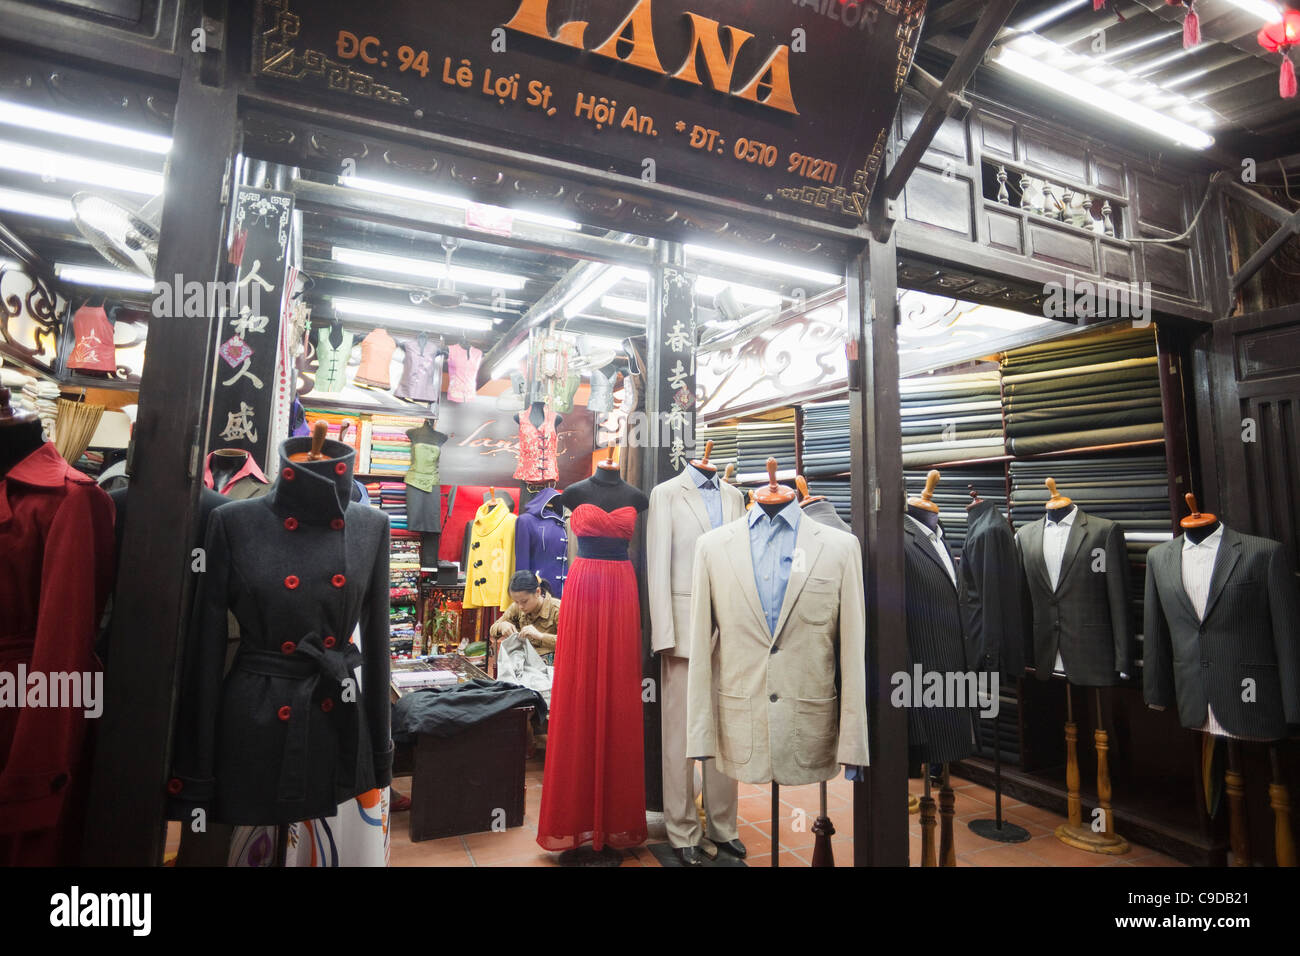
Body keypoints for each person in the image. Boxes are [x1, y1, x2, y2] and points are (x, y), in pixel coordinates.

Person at [490, 570, 561, 664]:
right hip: (523, 662)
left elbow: (570, 642)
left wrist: (540, 636)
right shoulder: (517, 607)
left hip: (551, 667)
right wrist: (502, 626)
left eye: (524, 601)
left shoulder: (558, 609)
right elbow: (493, 629)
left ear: (538, 592)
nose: (520, 606)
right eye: (516, 602)